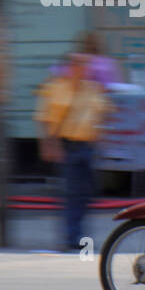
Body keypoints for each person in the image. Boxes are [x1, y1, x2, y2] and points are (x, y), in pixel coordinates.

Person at [35, 49, 111, 252]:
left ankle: (77, 234)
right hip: (66, 146)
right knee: (71, 193)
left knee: (86, 193)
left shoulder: (93, 89)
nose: (84, 69)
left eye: (86, 65)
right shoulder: (57, 88)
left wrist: (100, 136)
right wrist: (49, 145)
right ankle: (71, 237)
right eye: (79, 64)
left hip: (87, 146)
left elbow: (102, 113)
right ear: (70, 67)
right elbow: (44, 118)